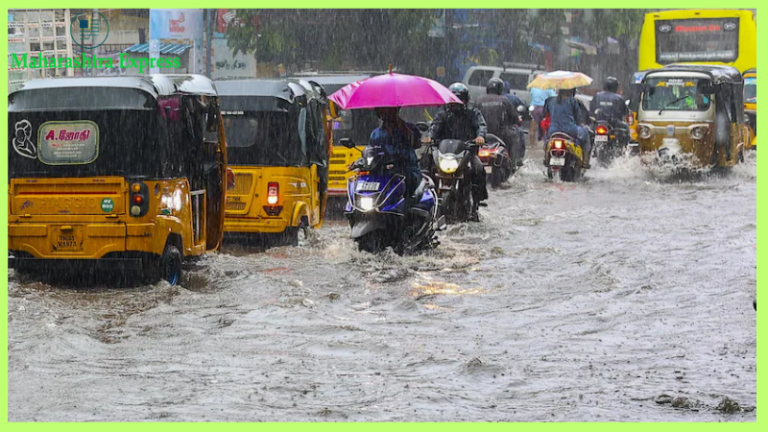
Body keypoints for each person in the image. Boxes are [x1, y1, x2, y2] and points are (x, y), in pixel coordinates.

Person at [427, 82, 488, 213]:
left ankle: (477, 200)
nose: (456, 102)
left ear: (465, 100)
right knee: (425, 164)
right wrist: (430, 137)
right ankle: (425, 198)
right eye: (453, 99)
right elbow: (435, 126)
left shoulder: (473, 113)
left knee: (478, 169)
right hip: (444, 154)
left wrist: (480, 137)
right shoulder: (443, 114)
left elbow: (481, 126)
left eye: (460, 99)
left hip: (467, 153)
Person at [355, 107, 422, 203]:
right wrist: (360, 162)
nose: (385, 114)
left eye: (389, 110)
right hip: (383, 172)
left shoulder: (409, 128)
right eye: (382, 111)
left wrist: (404, 129)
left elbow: (417, 144)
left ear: (396, 110)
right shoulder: (376, 134)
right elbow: (371, 152)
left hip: (406, 169)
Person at [475, 78, 521, 167]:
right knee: (515, 137)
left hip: (482, 134)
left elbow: (473, 117)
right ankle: (513, 164)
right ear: (500, 89)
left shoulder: (478, 100)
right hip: (501, 134)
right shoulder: (504, 100)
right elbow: (514, 117)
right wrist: (517, 122)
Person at [545, 88, 592, 168]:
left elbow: (546, 113)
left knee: (547, 141)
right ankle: (585, 161)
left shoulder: (550, 101)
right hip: (570, 130)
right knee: (586, 132)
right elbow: (578, 117)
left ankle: (546, 158)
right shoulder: (572, 101)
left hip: (553, 131)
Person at [590, 76, 630, 144]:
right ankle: (625, 149)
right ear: (615, 87)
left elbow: (591, 109)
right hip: (614, 123)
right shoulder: (618, 98)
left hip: (597, 123)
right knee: (626, 128)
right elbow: (625, 111)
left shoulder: (597, 95)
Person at [503, 81, 529, 165]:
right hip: (509, 127)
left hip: (494, 128)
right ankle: (518, 159)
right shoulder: (512, 98)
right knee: (520, 134)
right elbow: (524, 108)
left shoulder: (488, 99)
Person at [529, 76, 557, 142]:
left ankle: (532, 145)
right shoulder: (547, 88)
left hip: (533, 108)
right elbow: (554, 97)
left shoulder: (533, 88)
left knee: (532, 127)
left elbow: (531, 96)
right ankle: (544, 143)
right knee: (544, 126)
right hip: (543, 109)